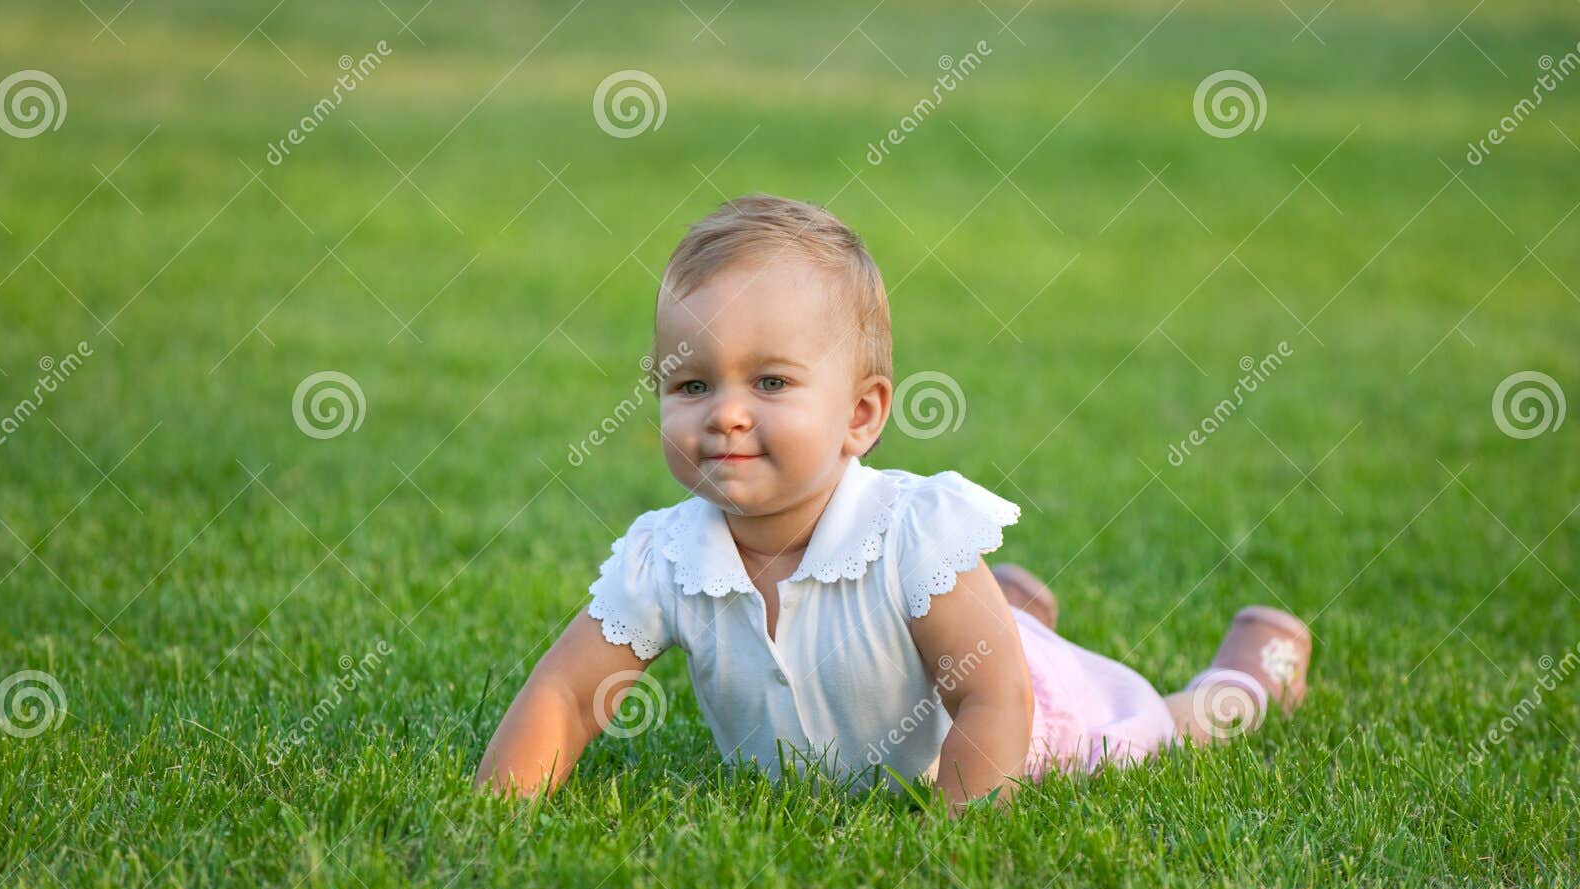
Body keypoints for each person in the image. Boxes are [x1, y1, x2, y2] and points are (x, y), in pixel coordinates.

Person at [475, 193, 1312, 818]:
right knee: (960, 623)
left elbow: (995, 702)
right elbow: (564, 694)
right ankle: (1008, 606)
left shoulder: (908, 533)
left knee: (1155, 728)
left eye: (770, 381)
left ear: (862, 415)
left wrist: (952, 834)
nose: (725, 412)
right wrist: (495, 814)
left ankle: (1249, 670)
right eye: (692, 384)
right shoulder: (665, 559)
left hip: (1031, 721)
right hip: (952, 652)